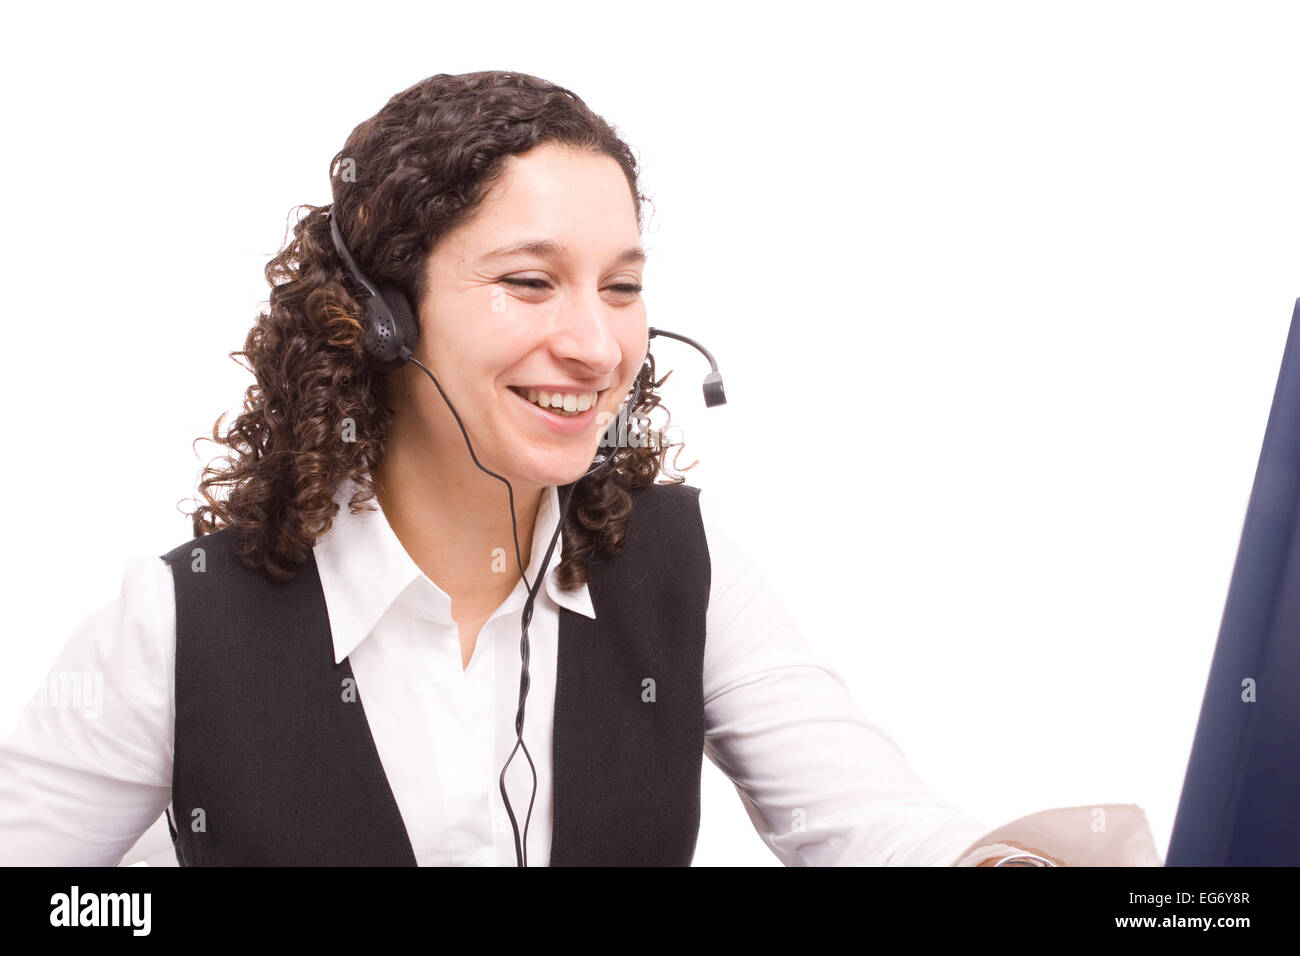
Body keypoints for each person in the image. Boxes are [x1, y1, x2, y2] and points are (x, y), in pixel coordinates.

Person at [0, 70, 1158, 867]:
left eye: (619, 285)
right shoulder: (182, 621)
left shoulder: (677, 572)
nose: (597, 347)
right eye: (528, 281)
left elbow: (866, 819)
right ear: (379, 317)